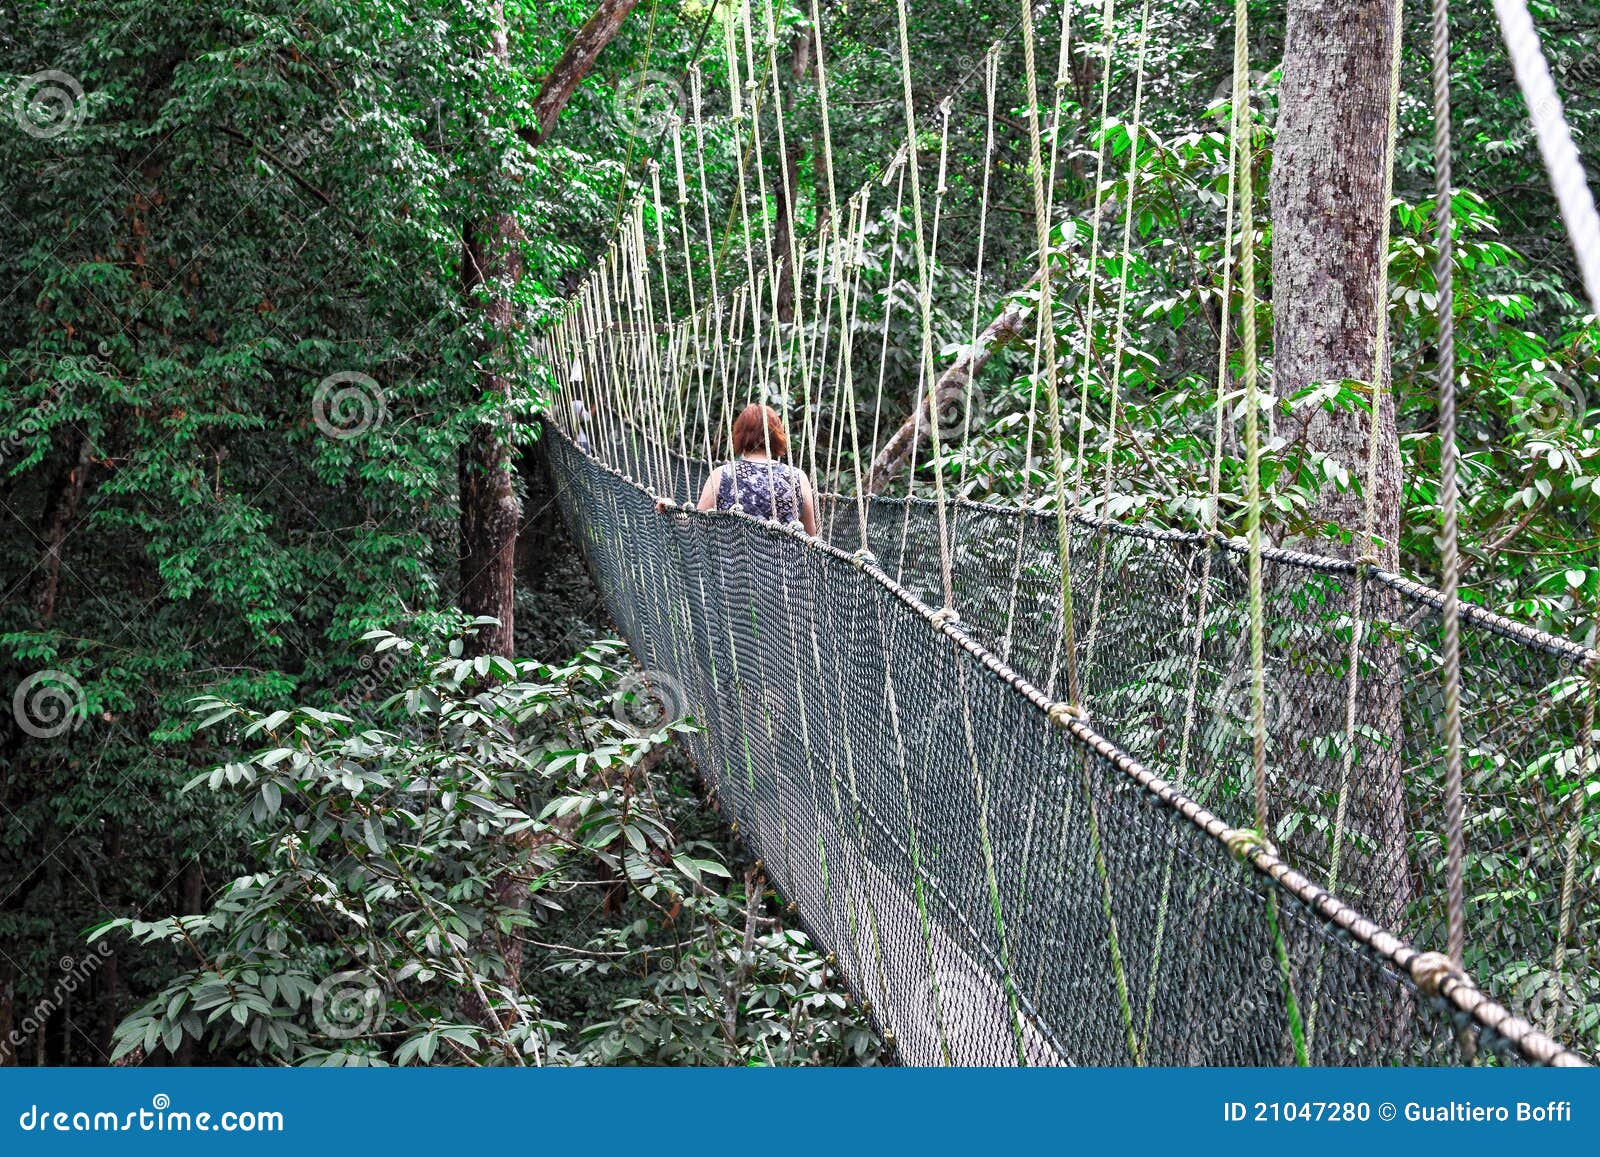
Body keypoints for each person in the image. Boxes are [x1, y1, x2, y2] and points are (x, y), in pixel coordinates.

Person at [695, 403, 818, 534]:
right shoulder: (798, 477)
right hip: (783, 554)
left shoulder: (722, 475)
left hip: (732, 554)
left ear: (739, 435)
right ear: (777, 435)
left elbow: (697, 524)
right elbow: (811, 534)